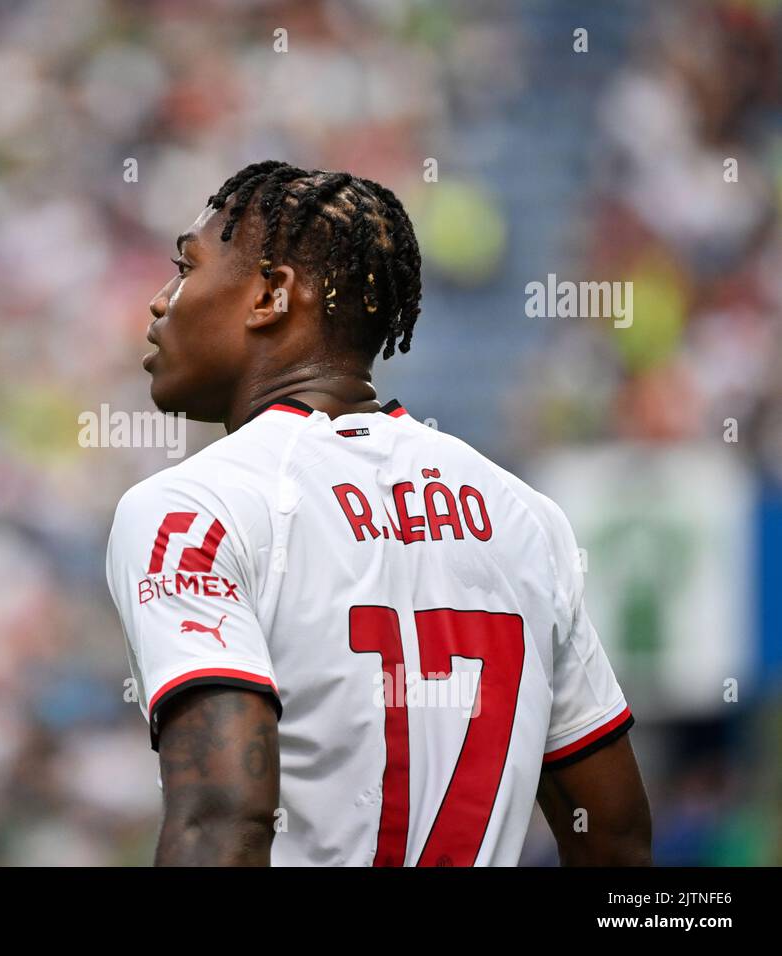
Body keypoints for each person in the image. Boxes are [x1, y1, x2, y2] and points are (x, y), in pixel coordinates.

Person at [105, 160, 652, 866]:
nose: (160, 302)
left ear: (270, 295)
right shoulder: (524, 516)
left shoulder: (192, 508)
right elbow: (618, 839)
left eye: (186, 267)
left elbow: (222, 819)